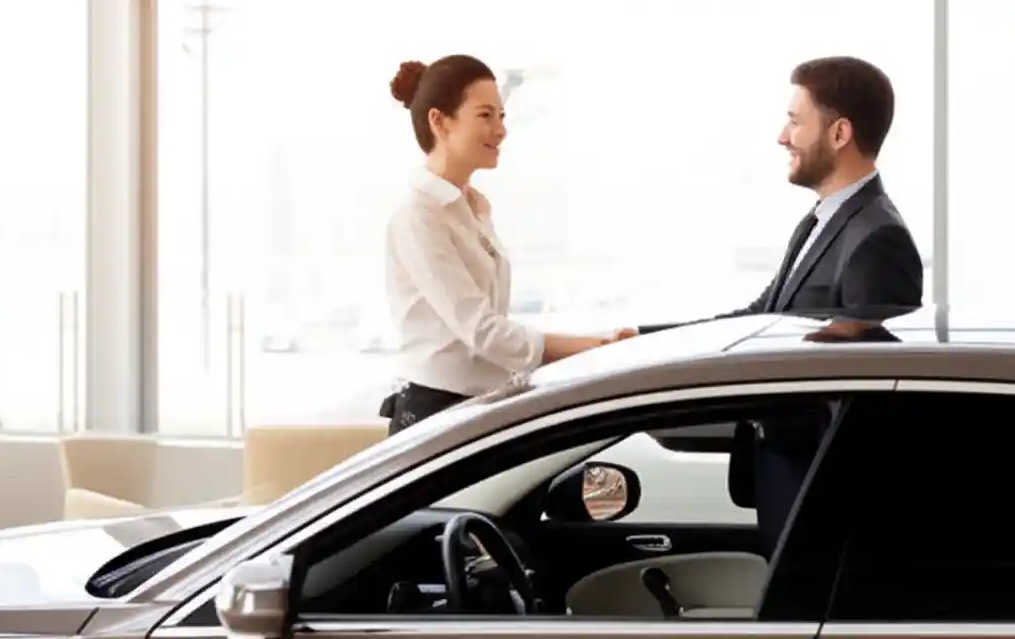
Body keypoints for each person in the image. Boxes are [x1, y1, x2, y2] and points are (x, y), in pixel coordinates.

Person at [623, 56, 924, 556]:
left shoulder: (878, 238)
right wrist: (639, 341)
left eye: (795, 121)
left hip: (825, 498)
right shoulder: (823, 221)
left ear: (840, 133)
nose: (782, 137)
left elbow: (870, 402)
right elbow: (761, 320)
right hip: (788, 479)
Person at [380, 54, 613, 433]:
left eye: (501, 116)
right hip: (436, 412)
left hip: (478, 405)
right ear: (440, 121)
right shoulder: (419, 216)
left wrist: (594, 348)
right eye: (485, 115)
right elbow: (482, 330)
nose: (501, 130)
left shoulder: (472, 207)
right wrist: (590, 348)